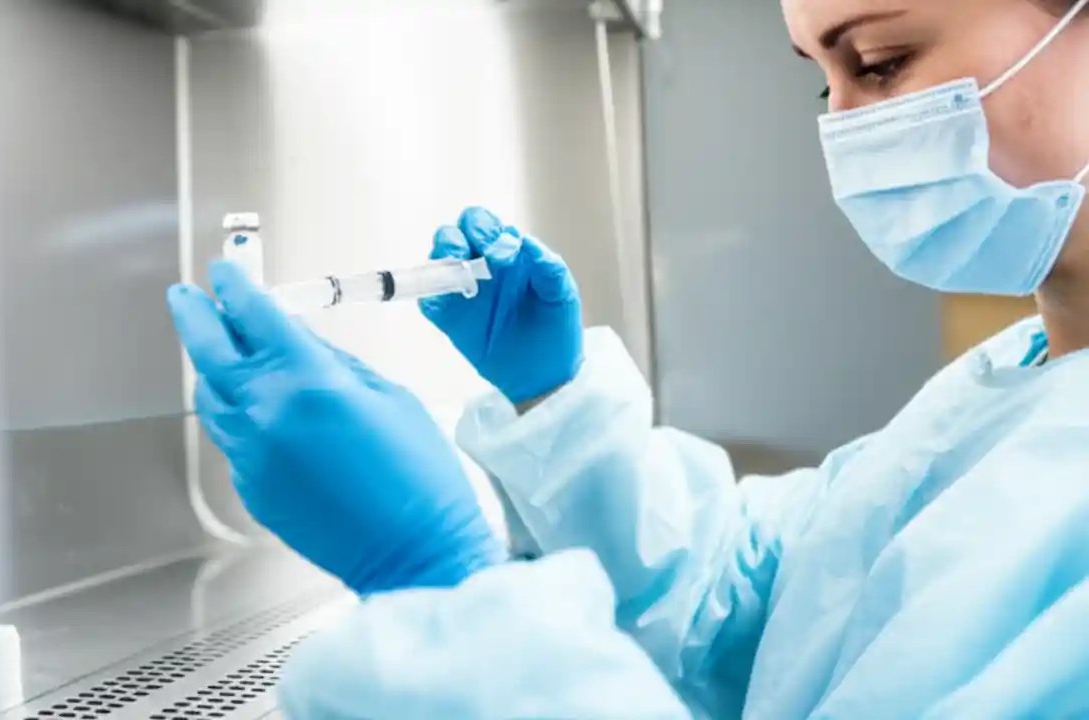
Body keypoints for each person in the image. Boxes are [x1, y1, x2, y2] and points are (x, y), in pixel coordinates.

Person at [166, 0, 1089, 716]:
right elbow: (750, 614)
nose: (844, 129)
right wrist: (553, 403)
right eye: (823, 84)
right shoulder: (1012, 386)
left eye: (882, 64)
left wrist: (439, 575)